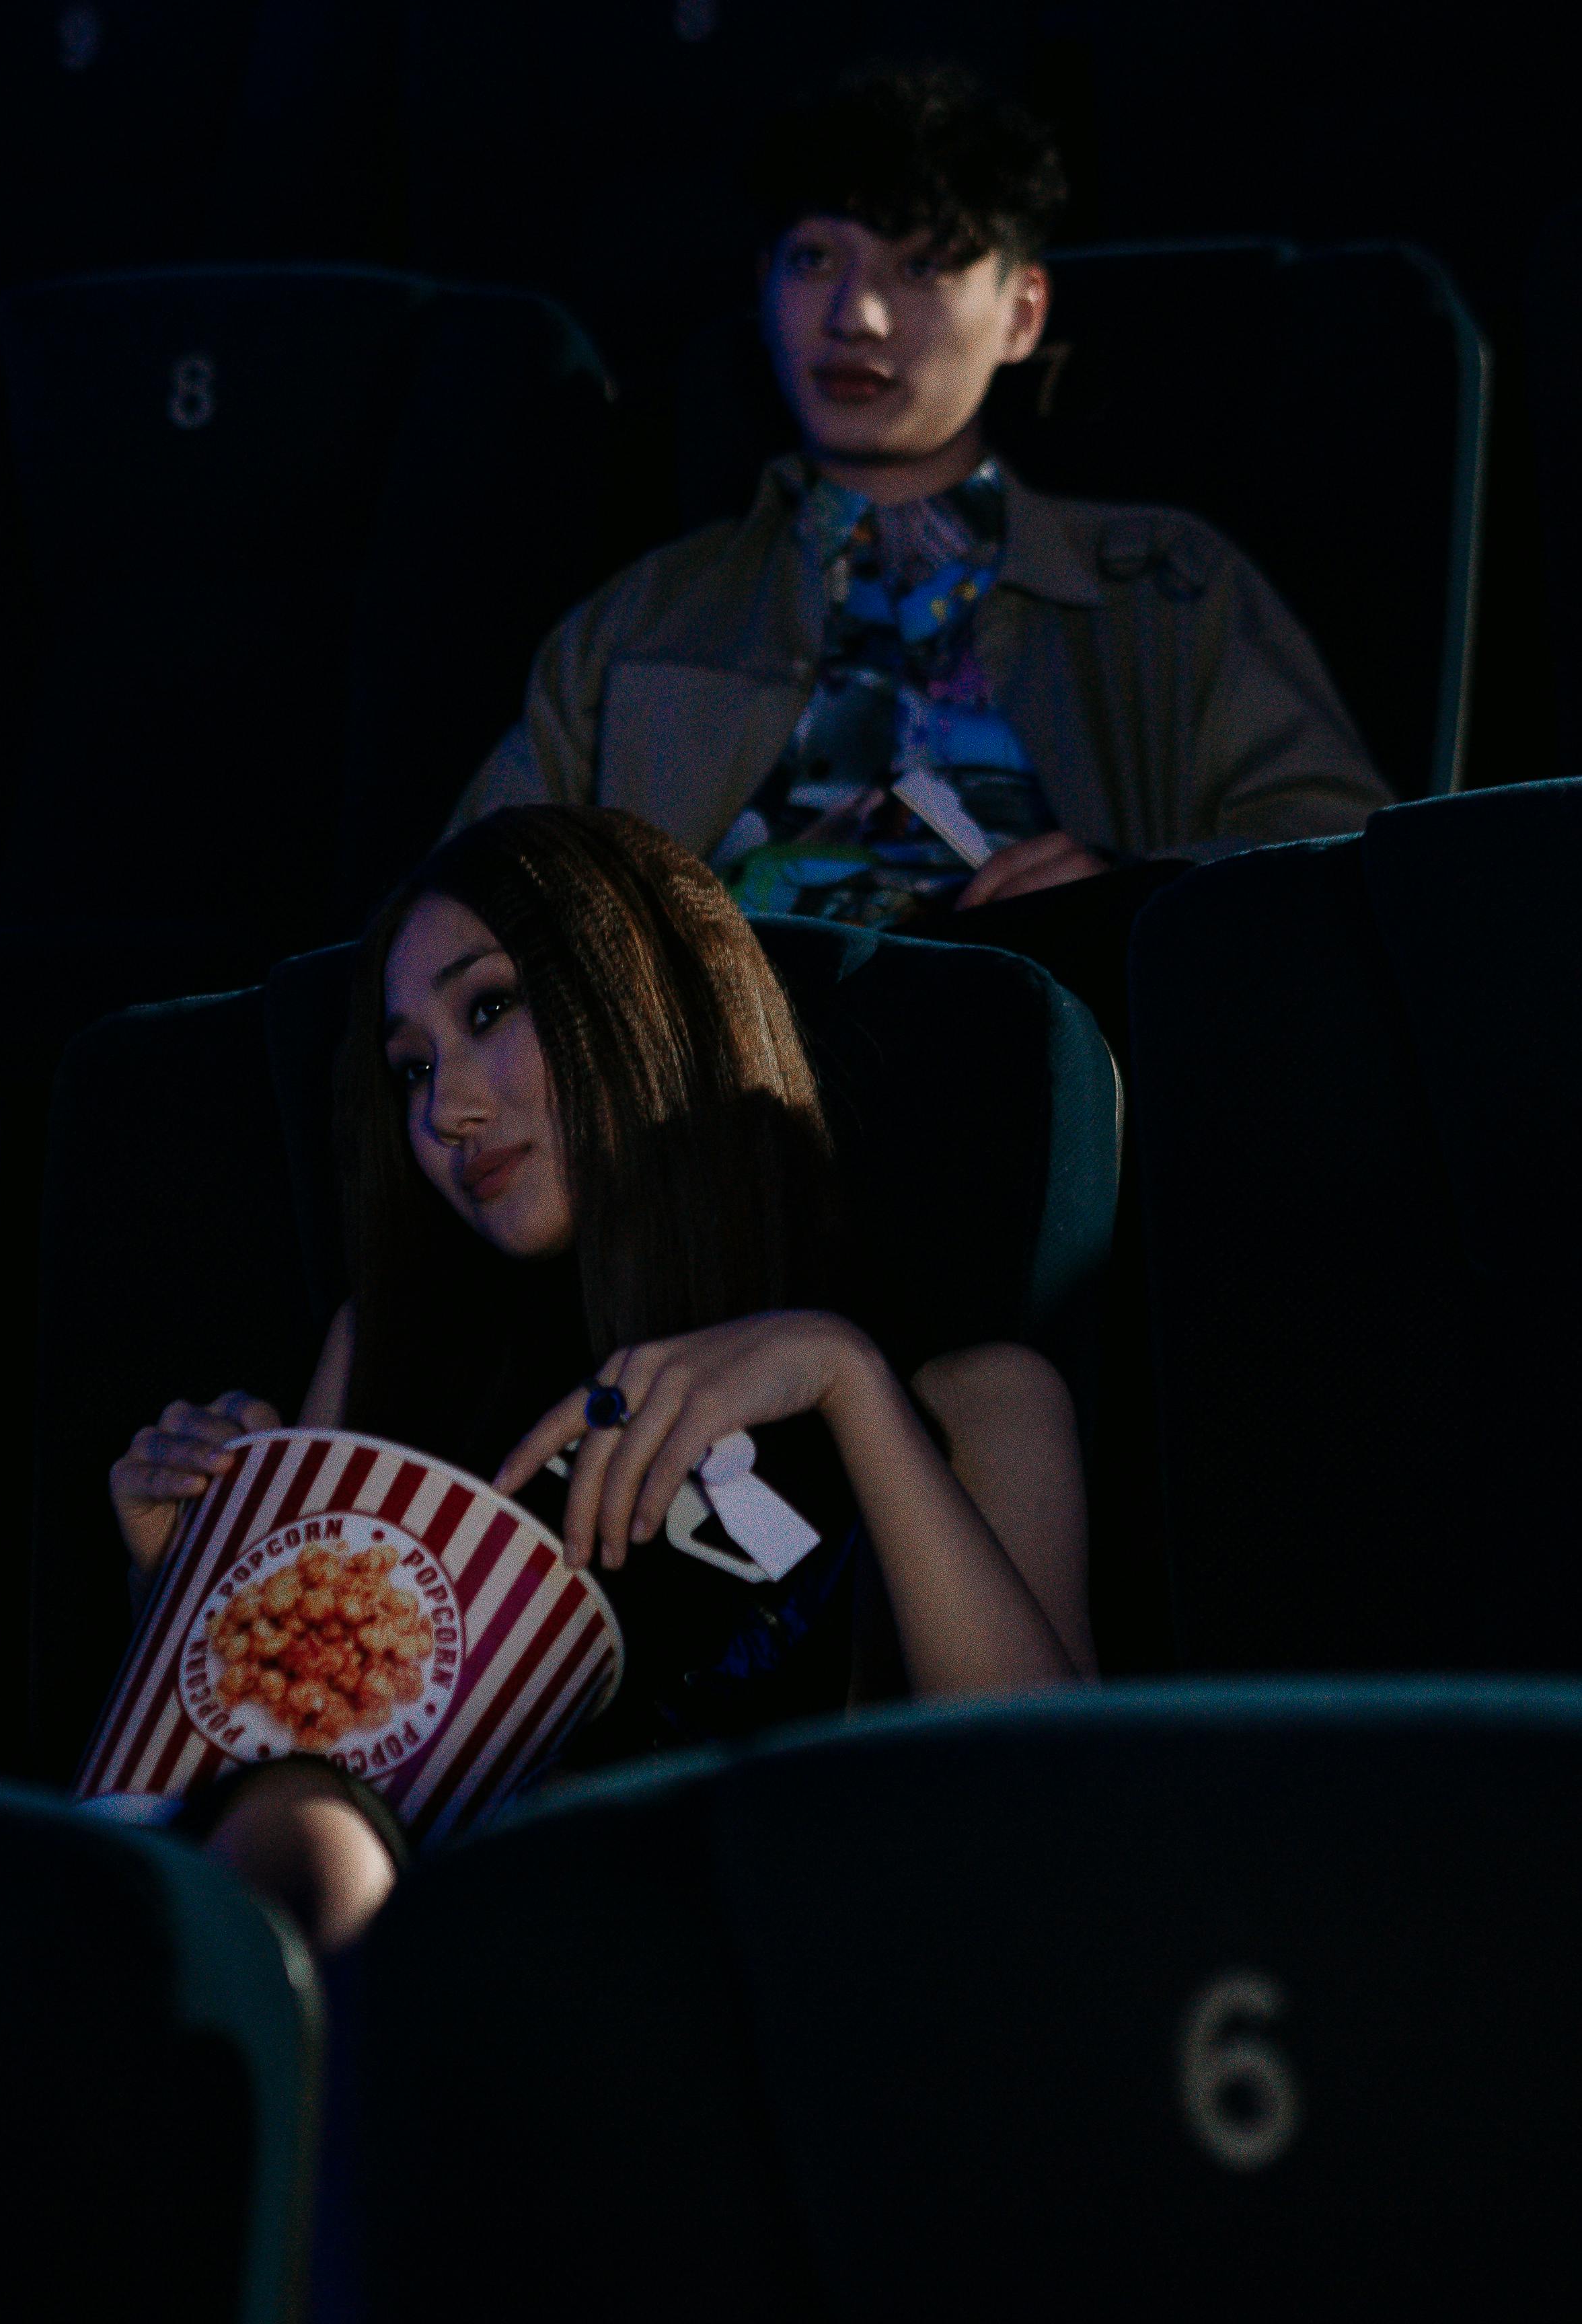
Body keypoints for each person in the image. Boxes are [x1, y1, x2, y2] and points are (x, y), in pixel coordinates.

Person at [108, 806, 1092, 1947]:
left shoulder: (970, 1404)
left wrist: (843, 1379)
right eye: (411, 1066)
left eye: (489, 1009)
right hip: (420, 1994)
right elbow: (266, 1804)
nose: (447, 1108)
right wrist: (185, 1592)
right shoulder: (384, 1351)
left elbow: (1062, 1829)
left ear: (641, 994)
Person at [452, 61, 1390, 930]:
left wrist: (1135, 893)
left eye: (922, 265)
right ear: (764, 287)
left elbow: (1336, 848)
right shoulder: (635, 625)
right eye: (814, 259)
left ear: (1022, 312)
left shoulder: (1168, 585)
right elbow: (460, 920)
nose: (853, 316)